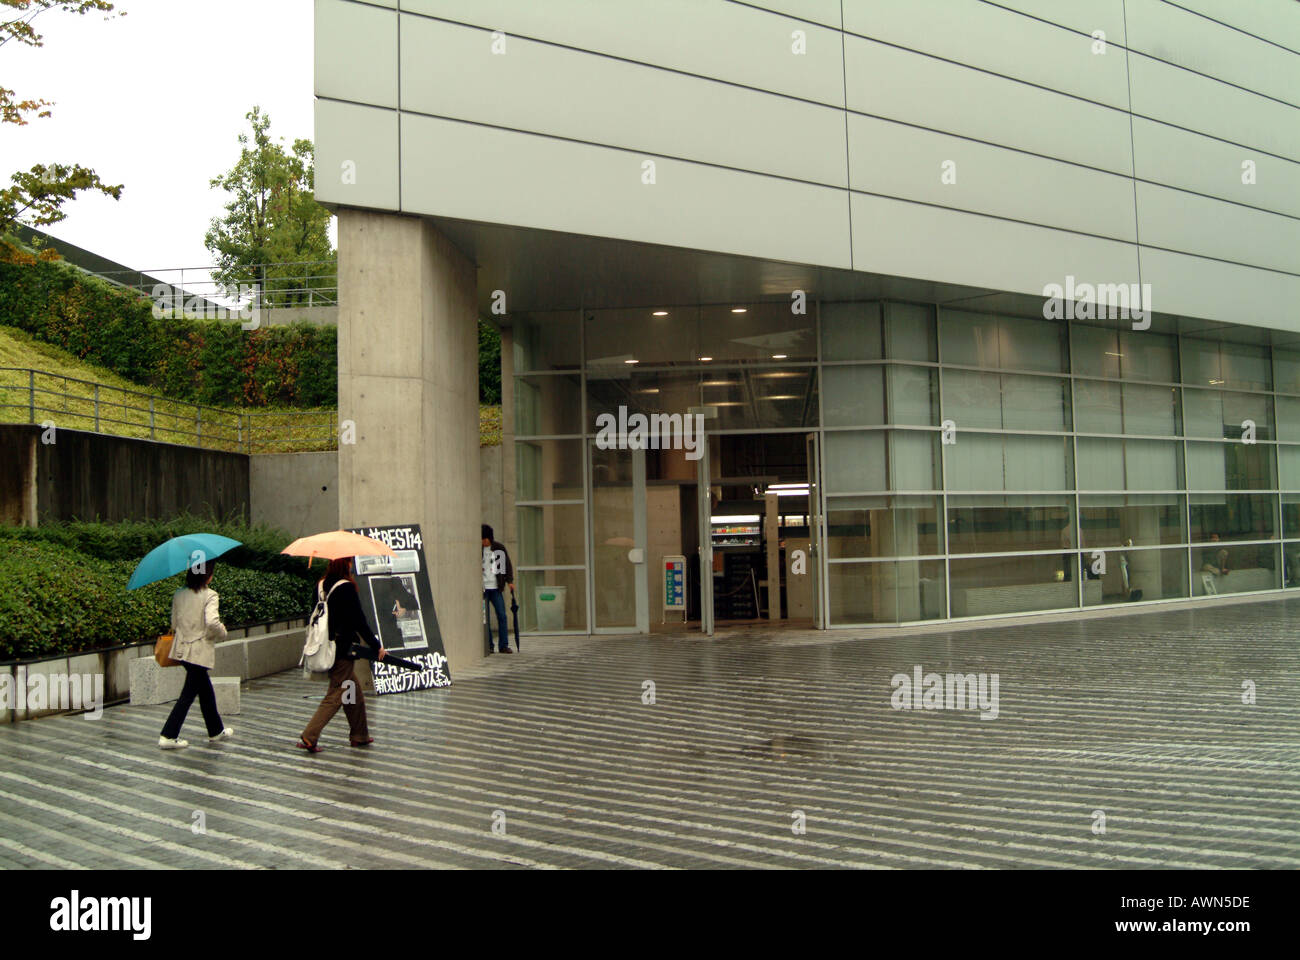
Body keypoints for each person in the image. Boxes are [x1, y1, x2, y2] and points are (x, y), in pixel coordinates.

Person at [298, 558, 385, 753]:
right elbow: (359, 621)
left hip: (325, 645)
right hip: (342, 648)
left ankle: (359, 735)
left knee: (352, 692)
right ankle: (309, 736)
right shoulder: (346, 587)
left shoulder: (321, 585)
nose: (352, 565)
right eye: (350, 562)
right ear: (345, 564)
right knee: (337, 692)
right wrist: (376, 645)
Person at [159, 561, 233, 750]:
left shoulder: (179, 594)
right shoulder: (210, 595)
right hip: (199, 651)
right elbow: (212, 622)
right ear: (207, 575)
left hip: (183, 650)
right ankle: (168, 735)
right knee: (188, 695)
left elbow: (174, 624)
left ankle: (216, 730)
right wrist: (222, 632)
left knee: (205, 691)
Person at [482, 524, 515, 654]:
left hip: (496, 587)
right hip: (483, 589)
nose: (484, 542)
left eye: (485, 539)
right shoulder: (478, 550)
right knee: (486, 619)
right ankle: (489, 645)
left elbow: (506, 566)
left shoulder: (498, 549)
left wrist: (509, 581)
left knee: (502, 615)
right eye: (482, 539)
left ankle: (503, 645)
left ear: (490, 538)